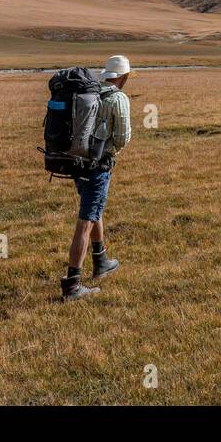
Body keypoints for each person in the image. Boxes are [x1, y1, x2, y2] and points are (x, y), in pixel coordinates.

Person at [61, 55, 132, 301]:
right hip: (97, 165)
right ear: (124, 76)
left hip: (77, 163)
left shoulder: (90, 93)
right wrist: (108, 150)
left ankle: (101, 260)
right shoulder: (117, 98)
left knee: (94, 209)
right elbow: (123, 138)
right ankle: (72, 285)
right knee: (87, 219)